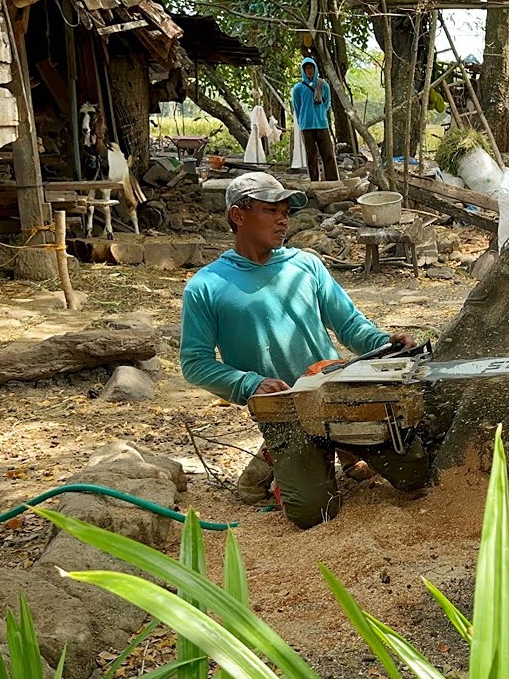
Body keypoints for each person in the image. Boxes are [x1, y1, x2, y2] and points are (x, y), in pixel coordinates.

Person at [179, 172, 429, 529]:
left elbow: (350, 326)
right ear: (238, 215)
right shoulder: (206, 286)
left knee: (415, 474)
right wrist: (250, 384)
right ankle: (280, 455)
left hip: (337, 396)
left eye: (286, 211)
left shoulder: (306, 265)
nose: (283, 219)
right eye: (271, 210)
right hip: (283, 411)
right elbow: (195, 364)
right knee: (314, 514)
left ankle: (340, 446)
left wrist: (384, 344)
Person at [291, 57, 340, 182]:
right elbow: (297, 106)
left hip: (321, 124)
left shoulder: (323, 85)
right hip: (306, 126)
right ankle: (314, 181)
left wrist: (320, 114)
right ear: (303, 70)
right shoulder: (298, 88)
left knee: (328, 154)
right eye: (306, 68)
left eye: (311, 67)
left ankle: (332, 181)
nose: (309, 70)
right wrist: (303, 119)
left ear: (315, 68)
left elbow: (327, 103)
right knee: (311, 156)